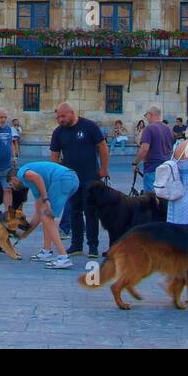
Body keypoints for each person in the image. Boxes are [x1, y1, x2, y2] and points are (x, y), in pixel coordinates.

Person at [49, 102, 108, 259]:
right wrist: (57, 177)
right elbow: (54, 156)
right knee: (74, 211)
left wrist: (104, 169)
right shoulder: (58, 133)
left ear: (71, 113)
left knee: (91, 212)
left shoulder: (89, 126)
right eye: (58, 117)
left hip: (91, 177)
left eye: (62, 116)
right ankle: (76, 245)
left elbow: (102, 146)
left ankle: (93, 246)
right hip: (71, 179)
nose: (60, 119)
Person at [16, 159, 80, 269]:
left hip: (63, 178)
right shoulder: (34, 186)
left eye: (11, 183)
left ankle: (63, 257)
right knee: (45, 215)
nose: (13, 187)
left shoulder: (21, 173)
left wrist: (46, 199)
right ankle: (46, 251)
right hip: (73, 180)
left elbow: (37, 177)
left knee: (47, 215)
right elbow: (37, 216)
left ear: (14, 178)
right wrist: (24, 234)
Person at [133, 105, 174, 196]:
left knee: (150, 199)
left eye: (146, 115)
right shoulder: (168, 129)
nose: (145, 117)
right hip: (166, 168)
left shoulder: (149, 128)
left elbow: (144, 149)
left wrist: (135, 163)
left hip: (152, 167)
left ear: (150, 114)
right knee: (164, 197)